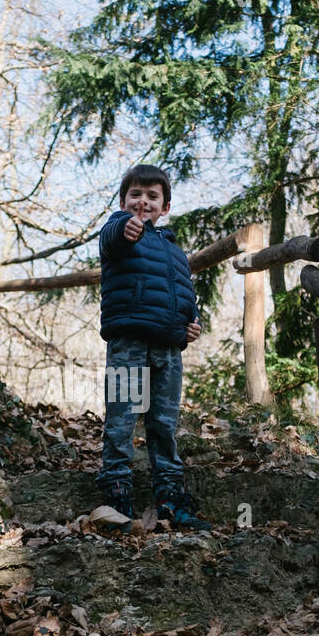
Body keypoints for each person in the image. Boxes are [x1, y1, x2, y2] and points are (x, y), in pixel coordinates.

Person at [94, 164, 212, 532]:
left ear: (165, 206)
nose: (142, 202)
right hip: (129, 340)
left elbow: (183, 294)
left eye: (152, 196)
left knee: (163, 423)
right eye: (135, 195)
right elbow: (110, 238)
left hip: (168, 349)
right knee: (122, 419)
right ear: (123, 201)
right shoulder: (118, 230)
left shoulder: (175, 251)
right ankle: (116, 494)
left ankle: (171, 496)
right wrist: (123, 228)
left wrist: (190, 323)